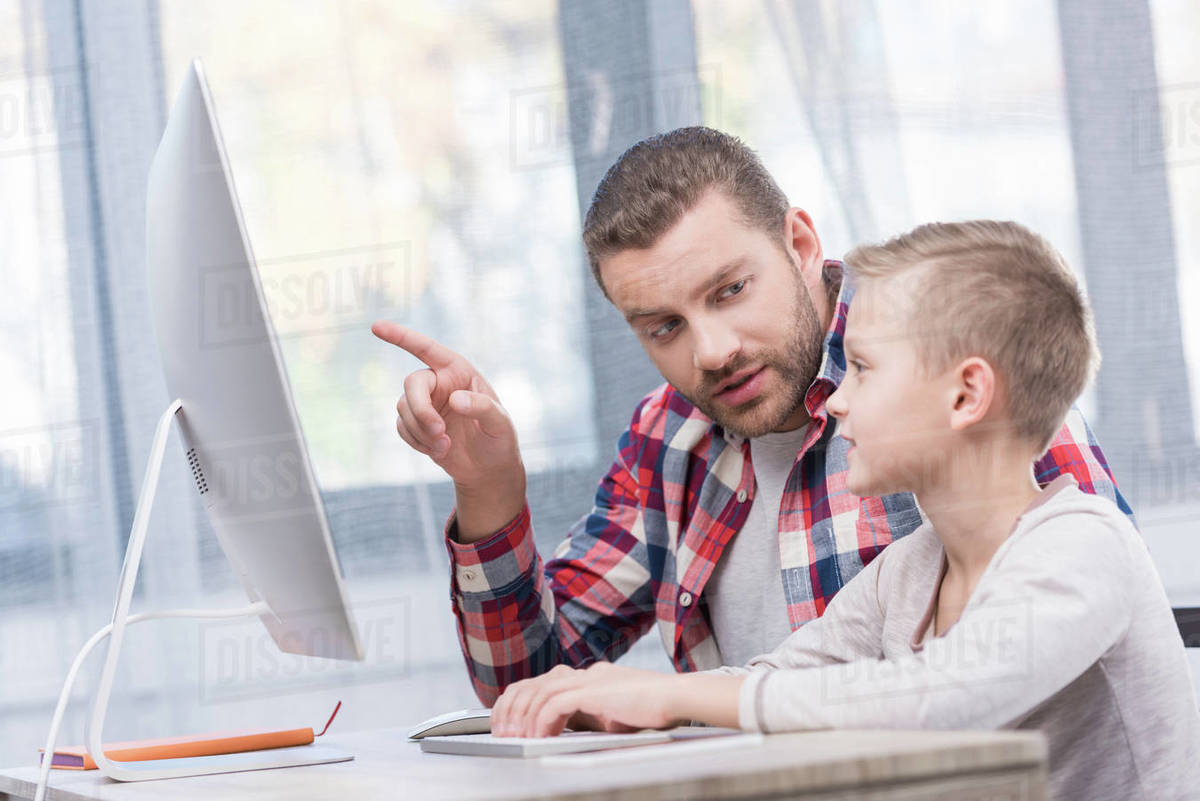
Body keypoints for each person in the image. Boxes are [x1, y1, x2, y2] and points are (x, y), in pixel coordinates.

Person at [371, 127, 1130, 707]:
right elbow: (533, 689)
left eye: (730, 289)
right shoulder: (669, 435)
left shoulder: (953, 363)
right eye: (662, 326)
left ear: (799, 244)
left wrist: (669, 699)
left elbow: (1061, 650)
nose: (711, 350)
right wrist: (490, 492)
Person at [486, 220, 1200, 801]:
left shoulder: (1082, 544)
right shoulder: (908, 572)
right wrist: (624, 692)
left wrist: (670, 700)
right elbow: (779, 674)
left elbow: (943, 694)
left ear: (965, 395)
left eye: (861, 368)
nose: (837, 397)